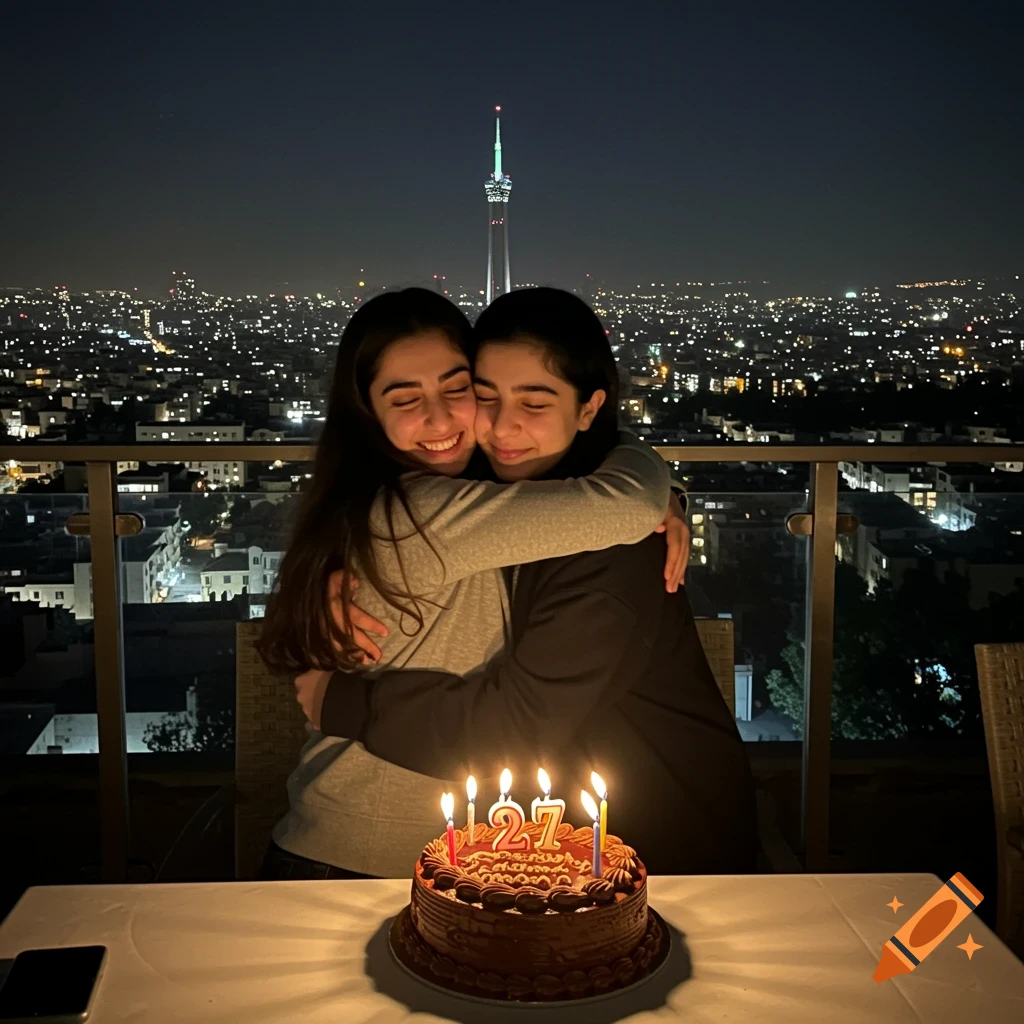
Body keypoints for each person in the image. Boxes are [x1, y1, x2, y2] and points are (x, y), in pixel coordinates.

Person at [303, 288, 759, 875]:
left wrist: (345, 703)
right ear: (367, 409)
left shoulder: (598, 547)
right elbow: (616, 503)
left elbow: (516, 725)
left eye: (534, 404)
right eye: (486, 396)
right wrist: (651, 486)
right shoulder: (485, 507)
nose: (500, 427)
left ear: (589, 410)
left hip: (656, 849)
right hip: (452, 847)